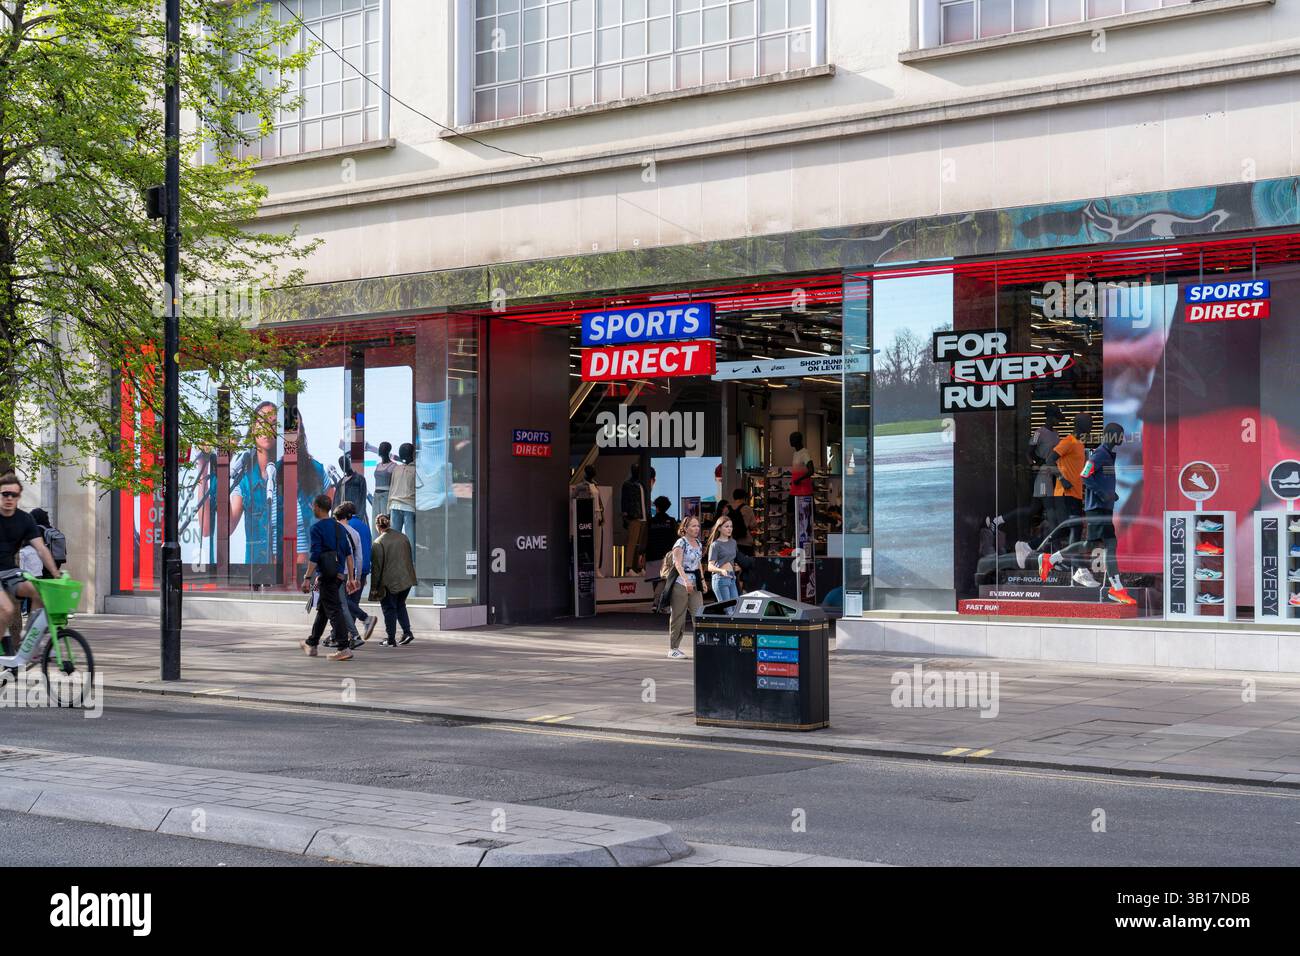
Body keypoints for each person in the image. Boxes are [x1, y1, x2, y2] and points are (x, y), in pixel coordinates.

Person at [1039, 423, 1137, 605]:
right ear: (1112, 436)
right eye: (1120, 435)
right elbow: (1084, 476)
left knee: (1092, 544)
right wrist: (1102, 493)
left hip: (1103, 508)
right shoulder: (1100, 454)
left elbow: (1097, 478)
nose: (1122, 439)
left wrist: (1110, 493)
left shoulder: (1106, 454)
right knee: (1109, 544)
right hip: (1097, 509)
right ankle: (1116, 588)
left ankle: (1050, 559)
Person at [0, 475, 63, 657]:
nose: (9, 498)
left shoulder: (25, 520)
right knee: (7, 608)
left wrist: (55, 573)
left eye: (13, 494)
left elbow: (41, 549)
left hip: (10, 571)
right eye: (5, 494)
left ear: (19, 497)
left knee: (40, 591)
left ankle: (30, 642)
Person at [301, 493, 355, 661]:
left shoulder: (317, 528)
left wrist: (307, 577)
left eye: (313, 506)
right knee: (324, 610)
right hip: (339, 575)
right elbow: (348, 554)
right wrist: (351, 578)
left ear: (317, 507)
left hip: (327, 574)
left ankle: (343, 647)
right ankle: (312, 643)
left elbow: (315, 554)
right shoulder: (339, 527)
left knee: (333, 610)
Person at [230, 400, 278, 567]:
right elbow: (226, 528)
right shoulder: (244, 480)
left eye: (273, 424)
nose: (268, 429)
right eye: (263, 422)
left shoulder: (289, 474)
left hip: (286, 575)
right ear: (253, 428)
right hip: (254, 573)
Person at [369, 513, 416, 646]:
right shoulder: (403, 537)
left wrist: (374, 589)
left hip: (389, 583)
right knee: (400, 605)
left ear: (377, 526)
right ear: (389, 523)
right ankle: (407, 632)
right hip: (406, 579)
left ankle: (390, 639)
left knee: (389, 608)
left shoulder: (378, 543)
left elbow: (376, 570)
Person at [335, 501, 377, 643]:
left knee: (343, 602)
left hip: (350, 569)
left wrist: (352, 577)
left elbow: (351, 555)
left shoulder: (346, 527)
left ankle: (363, 620)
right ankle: (345, 635)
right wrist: (359, 577)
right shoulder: (365, 526)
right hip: (363, 568)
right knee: (351, 602)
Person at [667, 516, 704, 660]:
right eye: (693, 526)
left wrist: (702, 579)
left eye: (698, 526)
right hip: (680, 583)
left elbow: (699, 563)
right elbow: (677, 564)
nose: (697, 529)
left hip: (695, 583)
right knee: (678, 616)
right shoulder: (680, 543)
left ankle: (701, 645)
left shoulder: (699, 543)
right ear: (685, 528)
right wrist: (686, 580)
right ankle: (673, 648)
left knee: (699, 614)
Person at [621, 464, 649, 573]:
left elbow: (645, 500)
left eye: (638, 469)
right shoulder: (627, 484)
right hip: (634, 517)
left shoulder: (641, 484)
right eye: (634, 470)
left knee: (643, 545)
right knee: (632, 543)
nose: (636, 471)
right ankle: (628, 568)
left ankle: (640, 567)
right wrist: (625, 516)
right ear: (632, 471)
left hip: (644, 517)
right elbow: (624, 500)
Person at [706, 514, 740, 605]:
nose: (730, 529)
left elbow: (731, 559)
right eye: (726, 526)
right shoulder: (715, 545)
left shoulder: (733, 542)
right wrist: (721, 571)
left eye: (731, 526)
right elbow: (710, 566)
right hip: (720, 578)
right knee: (728, 610)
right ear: (719, 528)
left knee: (735, 608)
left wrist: (736, 566)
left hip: (732, 577)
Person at [388, 442, 417, 542]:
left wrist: (388, 509)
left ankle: (395, 558)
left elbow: (391, 489)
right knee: (410, 540)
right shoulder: (416, 470)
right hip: (409, 507)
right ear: (412, 454)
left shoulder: (396, 469)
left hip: (395, 506)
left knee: (395, 541)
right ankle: (411, 558)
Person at [334, 454, 368, 525]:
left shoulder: (360, 479)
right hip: (343, 518)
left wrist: (359, 517)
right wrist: (334, 519)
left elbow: (362, 499)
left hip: (356, 517)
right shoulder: (340, 483)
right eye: (341, 465)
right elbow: (335, 502)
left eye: (345, 462)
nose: (343, 466)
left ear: (349, 462)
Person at [372, 441, 395, 525]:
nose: (381, 449)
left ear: (388, 450)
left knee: (385, 521)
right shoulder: (378, 465)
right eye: (380, 447)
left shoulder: (393, 466)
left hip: (386, 496)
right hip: (376, 495)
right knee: (375, 522)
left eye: (383, 447)